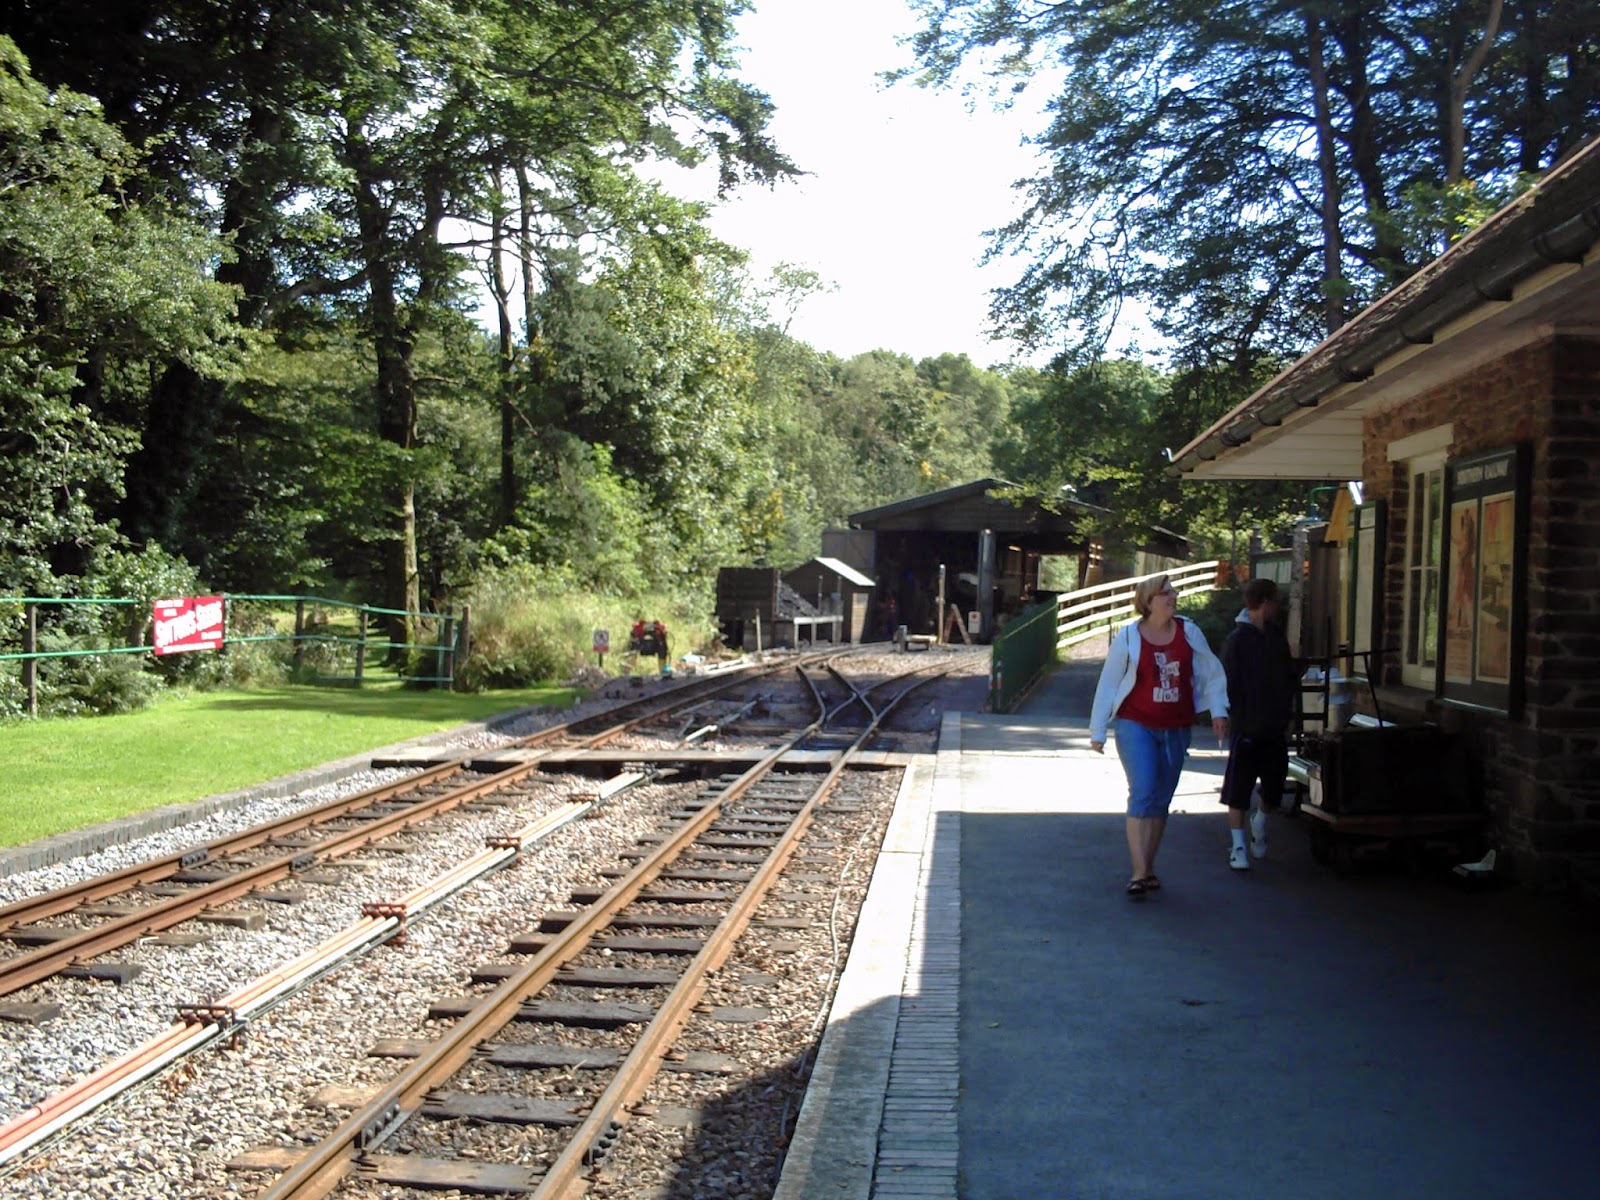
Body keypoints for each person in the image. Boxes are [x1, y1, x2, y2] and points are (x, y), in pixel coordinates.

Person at [1090, 575, 1229, 898]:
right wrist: (1098, 730)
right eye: (1165, 593)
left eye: (1173, 591)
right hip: (1135, 724)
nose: (1173, 596)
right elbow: (1108, 684)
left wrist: (1218, 710)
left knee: (1162, 799)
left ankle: (1147, 867)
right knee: (1143, 791)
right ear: (1148, 601)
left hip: (1176, 727)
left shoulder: (1189, 631)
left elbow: (1211, 672)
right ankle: (1138, 871)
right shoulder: (1128, 637)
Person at [1219, 579, 1298, 871]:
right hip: (1247, 725)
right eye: (1276, 601)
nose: (1278, 607)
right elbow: (1227, 681)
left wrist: (1286, 713)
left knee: (1274, 785)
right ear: (1265, 602)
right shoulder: (1238, 640)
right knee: (1238, 788)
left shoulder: (1276, 637)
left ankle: (1260, 822)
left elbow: (1288, 676)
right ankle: (1238, 846)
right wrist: (1228, 715)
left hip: (1274, 725)